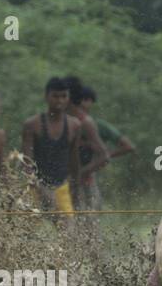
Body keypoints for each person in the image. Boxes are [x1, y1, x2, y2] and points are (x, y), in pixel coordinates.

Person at [20, 77, 82, 216]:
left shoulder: (74, 125)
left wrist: (76, 189)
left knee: (68, 230)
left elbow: (74, 160)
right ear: (46, 97)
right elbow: (26, 162)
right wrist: (39, 188)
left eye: (63, 96)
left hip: (61, 186)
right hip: (35, 186)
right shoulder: (32, 124)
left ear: (68, 98)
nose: (59, 100)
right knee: (26, 233)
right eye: (55, 96)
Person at [63, 77, 111, 223]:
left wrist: (79, 174)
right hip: (66, 184)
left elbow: (104, 156)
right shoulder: (62, 120)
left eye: (63, 95)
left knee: (88, 228)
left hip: (86, 185)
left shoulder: (85, 122)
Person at [77, 87, 135, 161]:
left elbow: (128, 146)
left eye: (85, 100)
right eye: (78, 100)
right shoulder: (66, 123)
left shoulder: (100, 126)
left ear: (91, 102)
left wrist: (103, 156)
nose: (81, 103)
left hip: (88, 170)